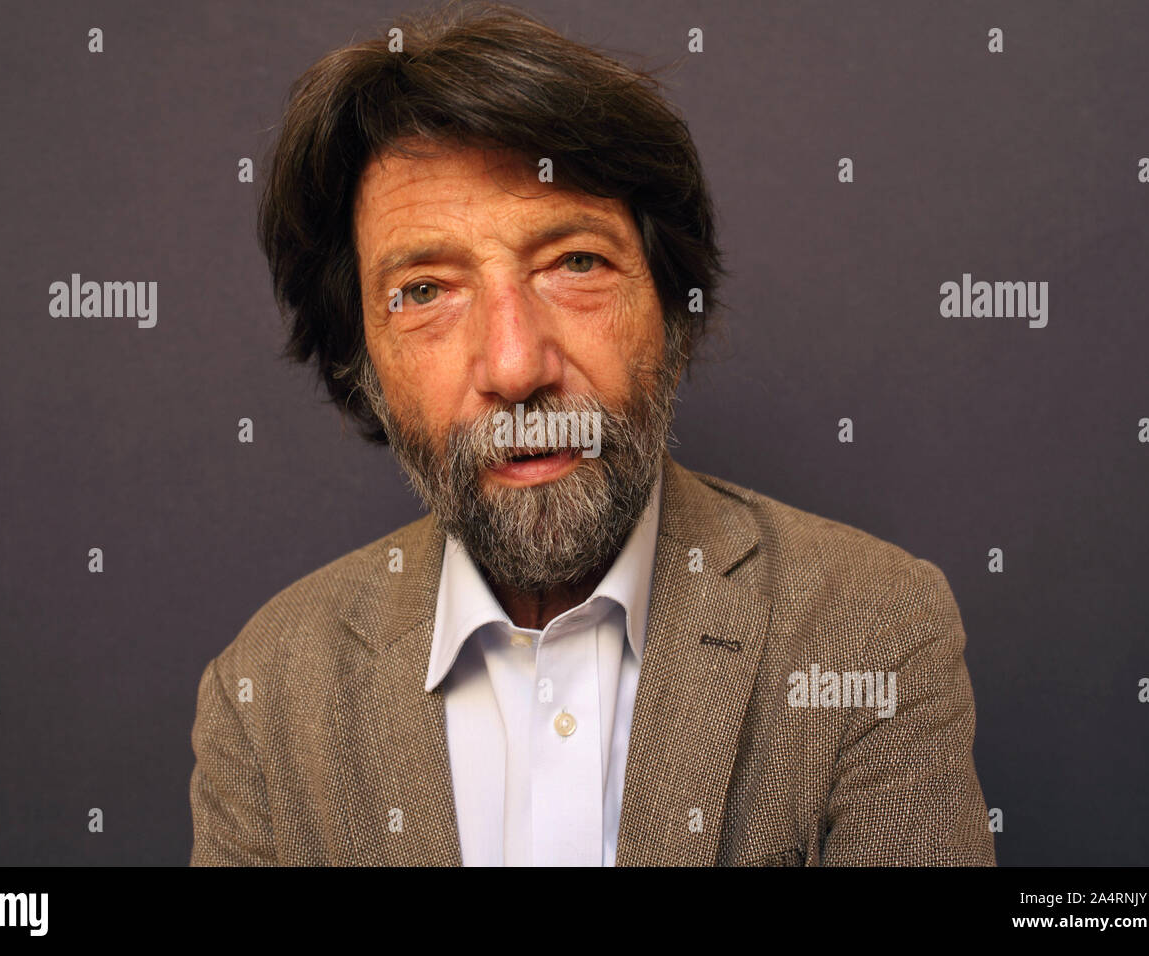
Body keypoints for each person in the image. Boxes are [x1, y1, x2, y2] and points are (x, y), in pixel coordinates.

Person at [189, 0, 995, 866]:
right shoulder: (263, 694)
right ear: (363, 358)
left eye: (576, 263)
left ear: (671, 309)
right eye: (425, 290)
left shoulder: (869, 628)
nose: (514, 365)